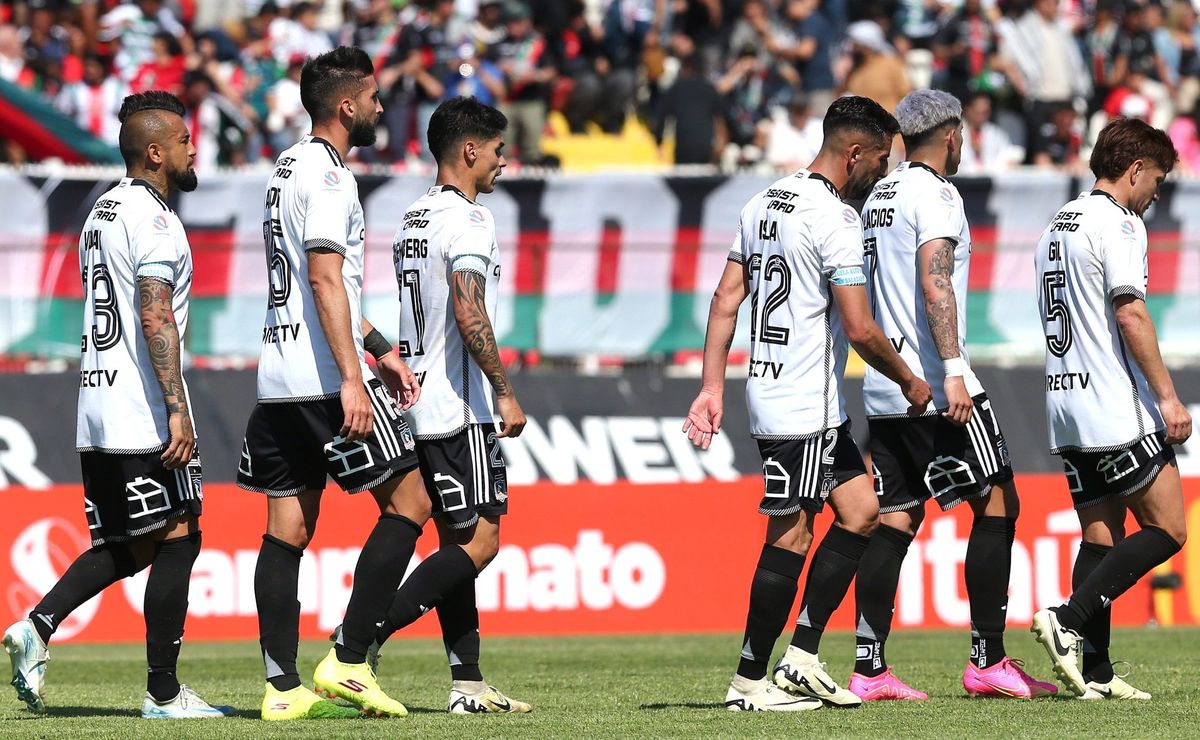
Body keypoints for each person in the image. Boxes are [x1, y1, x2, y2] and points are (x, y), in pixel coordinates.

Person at [683, 96, 932, 712]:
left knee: (861, 512)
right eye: (880, 158)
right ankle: (748, 681)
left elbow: (724, 299)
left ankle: (801, 658)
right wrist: (909, 379)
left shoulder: (763, 201)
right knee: (791, 537)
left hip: (792, 396)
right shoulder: (836, 220)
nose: (882, 170)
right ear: (854, 153)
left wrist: (713, 385)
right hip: (799, 401)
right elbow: (862, 328)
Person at [2, 90, 230, 720]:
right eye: (184, 140)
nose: (193, 149)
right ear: (155, 151)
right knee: (180, 538)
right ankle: (163, 694)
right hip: (142, 412)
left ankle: (38, 625)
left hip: (96, 407)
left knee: (132, 546)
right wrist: (177, 408)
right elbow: (156, 313)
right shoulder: (155, 220)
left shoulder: (101, 211)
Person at [235, 46, 425, 721]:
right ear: (346, 105)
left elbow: (330, 283)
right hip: (321, 377)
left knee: (286, 528)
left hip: (278, 373)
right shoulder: (333, 177)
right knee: (410, 502)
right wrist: (353, 376)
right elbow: (323, 277)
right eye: (373, 97)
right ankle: (347, 661)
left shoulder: (286, 168)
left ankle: (281, 689)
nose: (380, 106)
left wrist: (379, 351)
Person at [850, 90, 1057, 702]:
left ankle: (869, 668)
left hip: (887, 388)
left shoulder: (878, 197)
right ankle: (986, 659)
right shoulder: (936, 193)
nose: (964, 143)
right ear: (948, 134)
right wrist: (953, 369)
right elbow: (935, 282)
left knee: (897, 517)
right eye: (963, 132)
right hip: (937, 387)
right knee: (999, 506)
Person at [333, 95, 531, 716]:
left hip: (413, 400)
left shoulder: (414, 216)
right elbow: (469, 311)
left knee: (453, 536)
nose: (503, 162)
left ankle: (466, 683)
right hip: (459, 405)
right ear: (469, 151)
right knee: (482, 543)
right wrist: (502, 388)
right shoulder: (470, 221)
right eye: (498, 151)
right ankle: (356, 643)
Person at [1031, 117, 1191, 700]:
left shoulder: (1059, 222)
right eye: (1157, 179)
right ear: (1134, 169)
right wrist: (1169, 398)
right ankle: (1067, 621)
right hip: (1112, 404)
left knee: (1101, 536)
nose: (1156, 193)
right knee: (1169, 528)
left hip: (1065, 405)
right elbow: (1129, 313)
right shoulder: (1119, 224)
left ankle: (1093, 671)